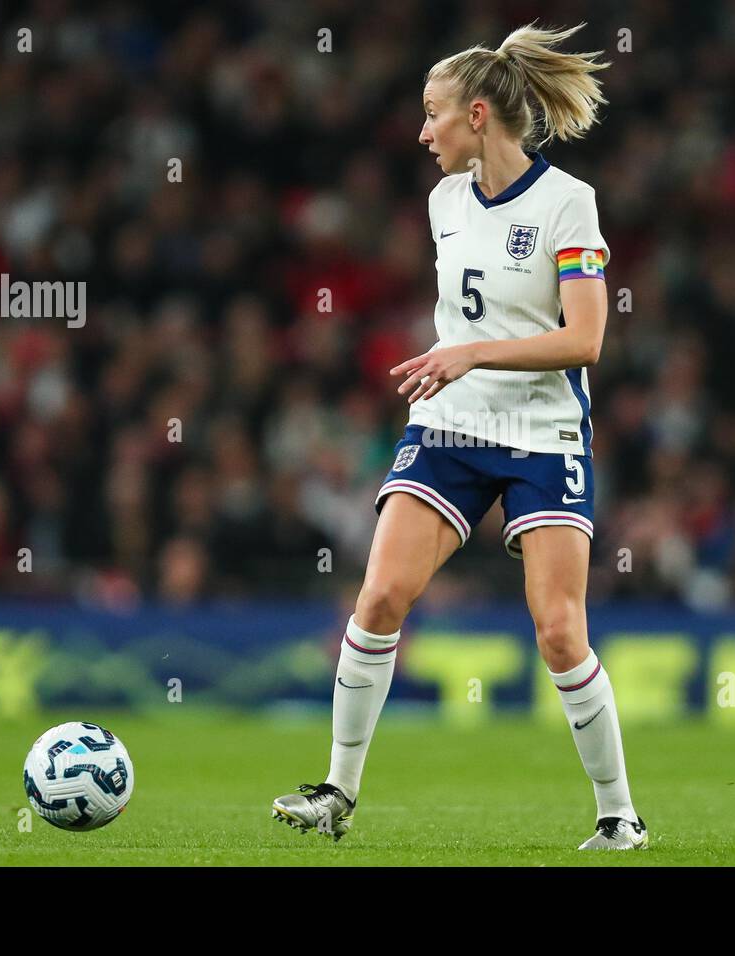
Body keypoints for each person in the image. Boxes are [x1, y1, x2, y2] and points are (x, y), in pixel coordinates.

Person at [273, 22, 647, 850]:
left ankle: (619, 816)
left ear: (478, 114)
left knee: (559, 630)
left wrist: (470, 351)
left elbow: (586, 341)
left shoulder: (568, 203)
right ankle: (337, 789)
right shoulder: (444, 201)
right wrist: (460, 364)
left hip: (544, 433)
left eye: (432, 112)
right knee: (377, 596)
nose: (422, 130)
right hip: (449, 425)